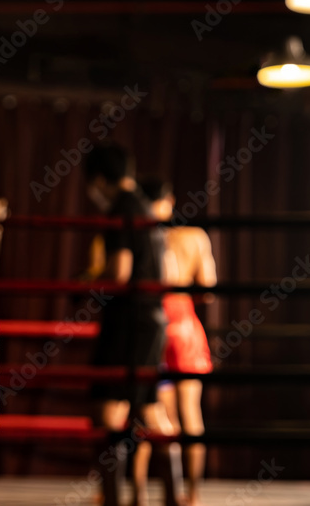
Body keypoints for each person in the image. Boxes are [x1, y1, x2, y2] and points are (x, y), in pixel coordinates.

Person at [83, 143, 182, 506]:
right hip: (152, 318)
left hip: (129, 318)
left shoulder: (121, 209)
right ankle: (172, 496)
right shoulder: (145, 206)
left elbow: (120, 272)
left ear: (96, 179)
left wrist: (87, 285)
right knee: (148, 409)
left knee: (107, 411)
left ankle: (113, 501)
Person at [141, 178, 216, 506]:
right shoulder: (194, 237)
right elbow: (209, 287)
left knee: (151, 414)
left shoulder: (142, 235)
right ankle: (192, 495)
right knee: (190, 413)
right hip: (184, 326)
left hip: (152, 325)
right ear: (169, 200)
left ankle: (139, 492)